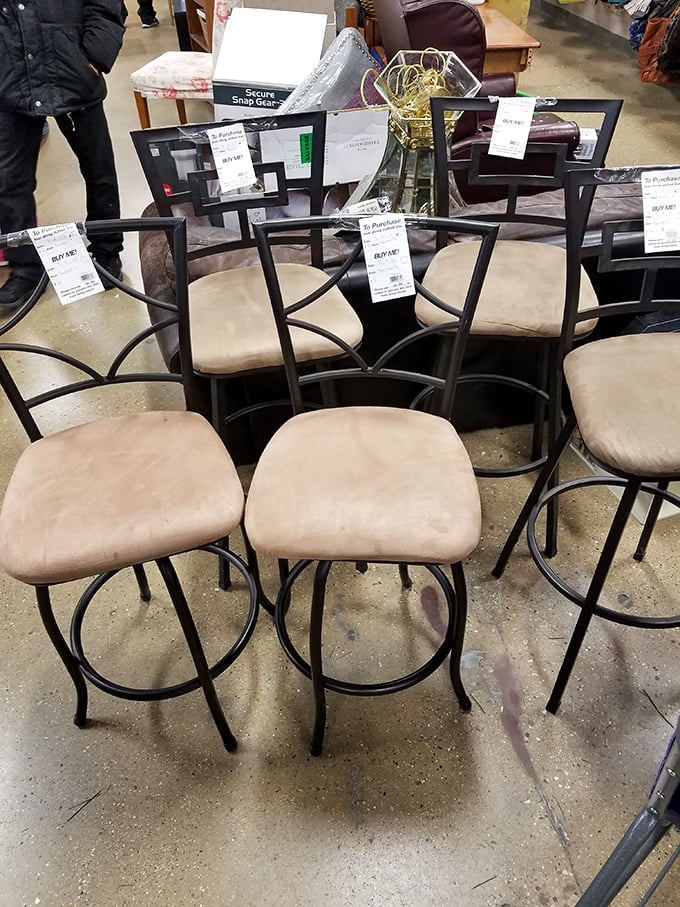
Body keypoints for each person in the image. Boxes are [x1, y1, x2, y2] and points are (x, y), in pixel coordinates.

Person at [0, 1, 126, 312]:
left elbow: (107, 4)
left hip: (72, 70)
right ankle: (26, 268)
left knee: (99, 170)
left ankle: (107, 248)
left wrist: (93, 57)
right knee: (9, 181)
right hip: (10, 79)